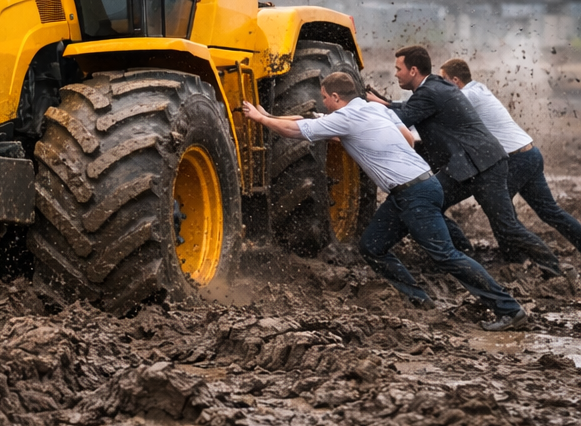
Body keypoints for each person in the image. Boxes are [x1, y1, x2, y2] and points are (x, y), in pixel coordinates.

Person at [243, 71, 529, 330]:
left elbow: (296, 131)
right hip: (418, 186)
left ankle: (509, 309)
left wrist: (259, 120)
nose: (323, 104)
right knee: (372, 246)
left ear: (334, 97)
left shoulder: (346, 119)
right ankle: (419, 300)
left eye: (324, 99)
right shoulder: (373, 110)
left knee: (446, 255)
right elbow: (407, 138)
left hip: (414, 192)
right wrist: (269, 114)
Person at [366, 44, 563, 279]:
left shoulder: (430, 92)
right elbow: (410, 109)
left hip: (484, 165)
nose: (395, 73)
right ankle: (463, 252)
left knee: (506, 227)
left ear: (413, 70)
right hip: (465, 166)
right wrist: (384, 104)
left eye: (398, 68)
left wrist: (365, 110)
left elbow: (402, 117)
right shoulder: (435, 86)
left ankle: (556, 269)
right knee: (430, 203)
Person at [440, 57, 581, 260]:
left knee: (499, 212)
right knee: (549, 211)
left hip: (516, 160)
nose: (440, 86)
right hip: (530, 154)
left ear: (454, 80)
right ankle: (518, 252)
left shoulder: (467, 95)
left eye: (443, 80)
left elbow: (438, 111)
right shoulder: (478, 89)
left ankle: (515, 256)